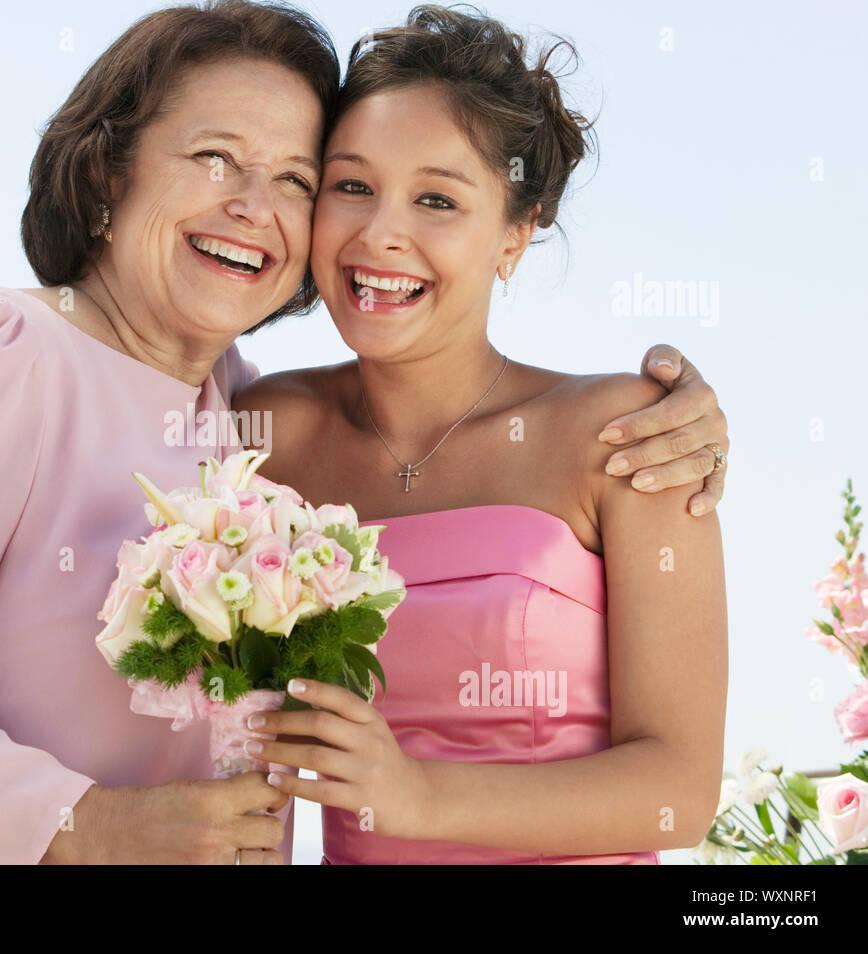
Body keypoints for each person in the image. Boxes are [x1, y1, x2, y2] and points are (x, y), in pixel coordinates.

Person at [0, 0, 728, 865]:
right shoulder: (6, 352)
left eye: (296, 178)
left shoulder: (244, 414)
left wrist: (690, 412)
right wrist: (80, 828)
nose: (254, 207)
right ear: (106, 172)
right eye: (215, 158)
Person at [233, 4, 727, 863]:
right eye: (352, 185)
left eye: (437, 199)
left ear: (515, 233)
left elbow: (677, 793)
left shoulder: (627, 436)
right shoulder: (266, 435)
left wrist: (415, 795)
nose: (381, 233)